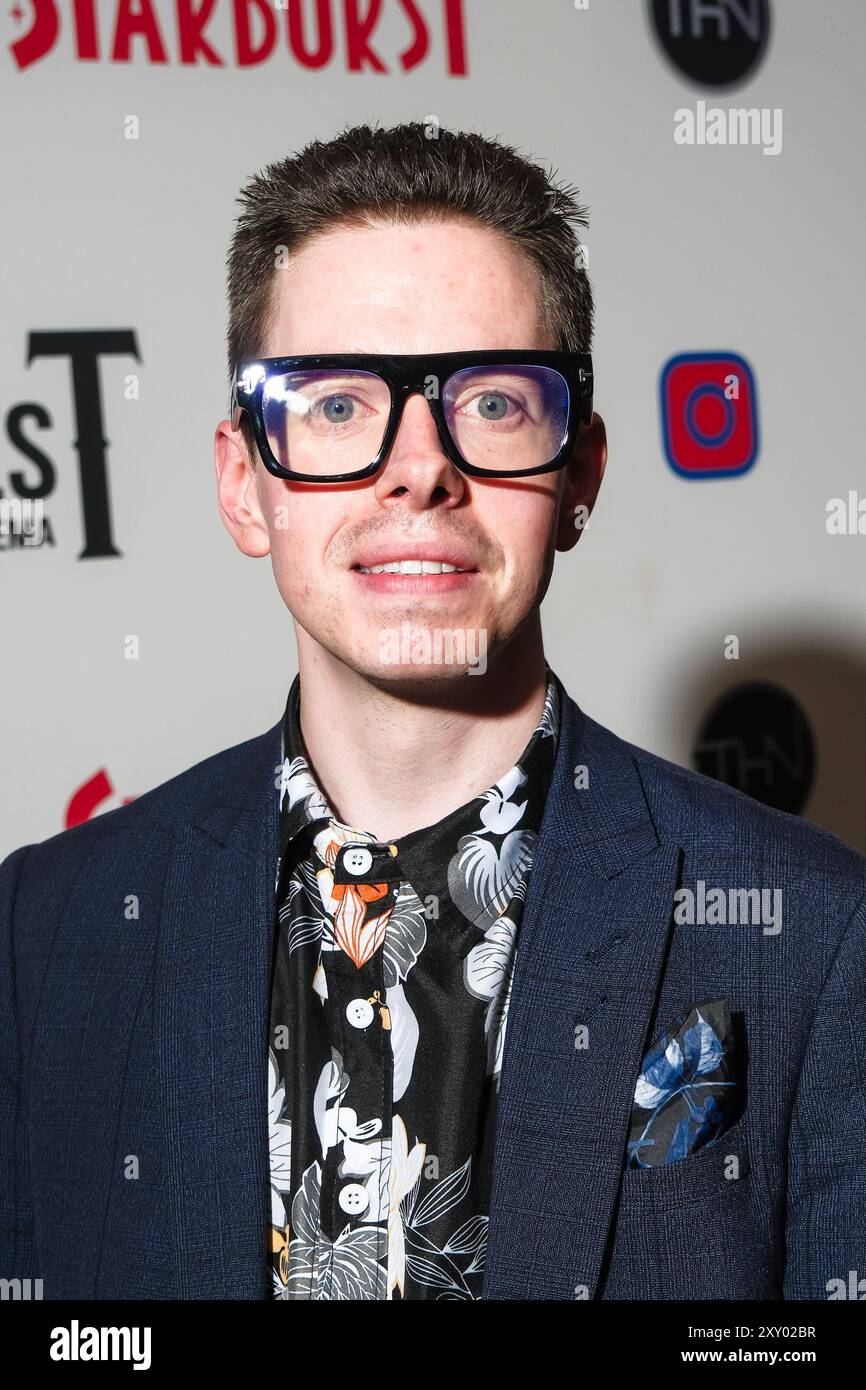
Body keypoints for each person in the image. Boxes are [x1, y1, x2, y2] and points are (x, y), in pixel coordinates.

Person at [1, 122, 864, 1302]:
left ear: (578, 477)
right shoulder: (44, 936)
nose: (418, 468)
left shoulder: (813, 936)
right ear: (243, 485)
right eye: (339, 403)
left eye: (493, 401)